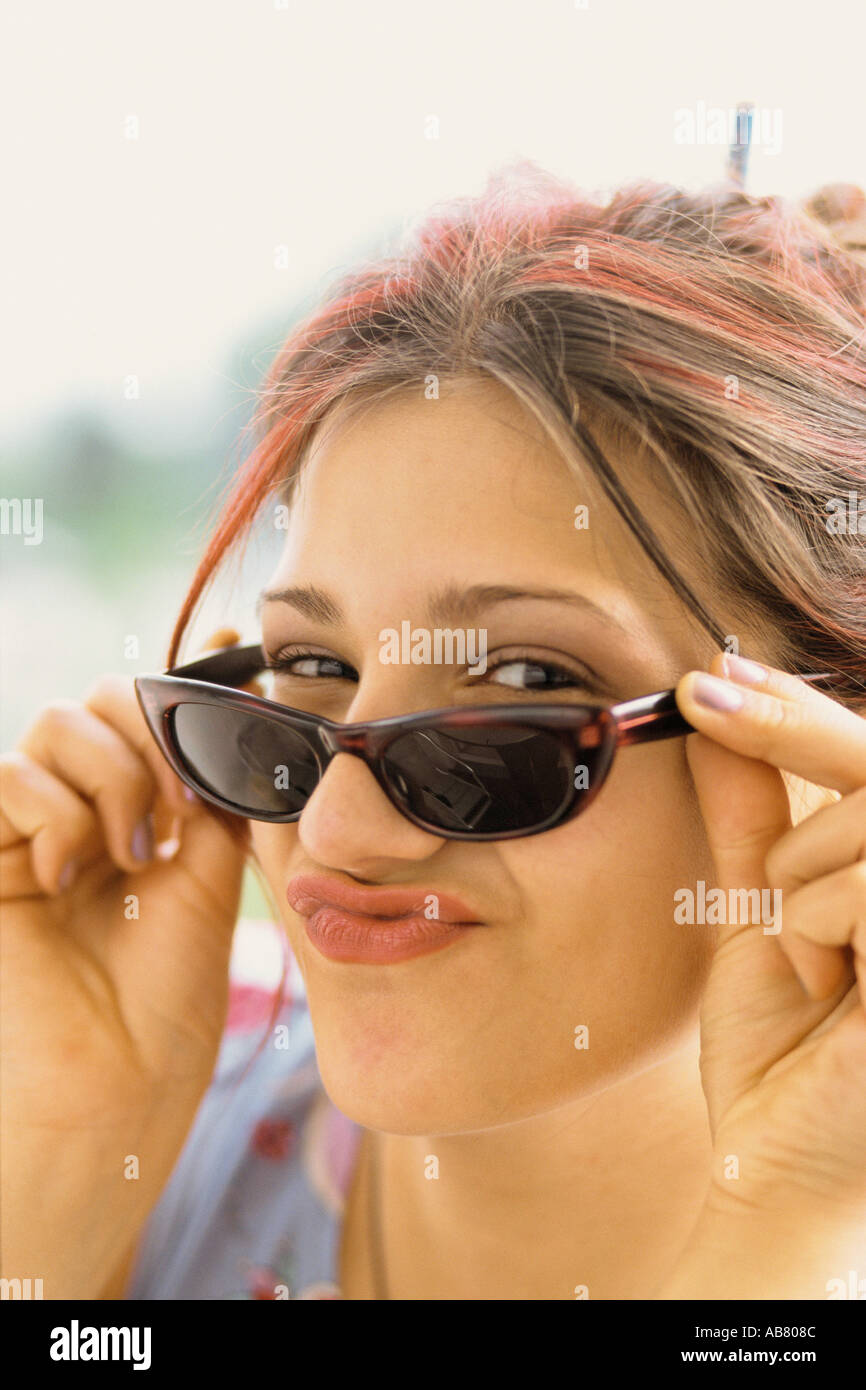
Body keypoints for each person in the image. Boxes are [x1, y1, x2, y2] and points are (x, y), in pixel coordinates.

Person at [2, 164, 865, 1301]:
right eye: (314, 666)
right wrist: (56, 1196)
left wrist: (786, 1223)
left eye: (523, 681)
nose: (336, 825)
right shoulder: (121, 1128)